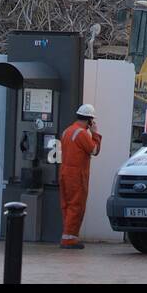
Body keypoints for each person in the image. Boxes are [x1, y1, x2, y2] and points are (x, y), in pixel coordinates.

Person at [59, 104, 102, 250]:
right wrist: (95, 134)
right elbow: (94, 150)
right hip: (76, 174)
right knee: (76, 205)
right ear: (89, 120)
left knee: (67, 204)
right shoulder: (82, 134)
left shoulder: (67, 131)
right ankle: (69, 239)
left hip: (64, 172)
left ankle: (67, 235)